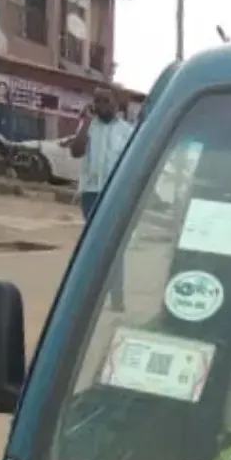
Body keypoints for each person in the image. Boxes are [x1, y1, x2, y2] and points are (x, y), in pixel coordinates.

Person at [65, 85, 134, 309]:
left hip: (115, 194)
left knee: (114, 244)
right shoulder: (89, 128)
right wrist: (85, 121)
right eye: (98, 101)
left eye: (106, 100)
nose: (101, 105)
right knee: (93, 244)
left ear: (116, 103)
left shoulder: (127, 131)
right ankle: (91, 296)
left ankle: (117, 297)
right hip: (92, 194)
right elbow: (76, 151)